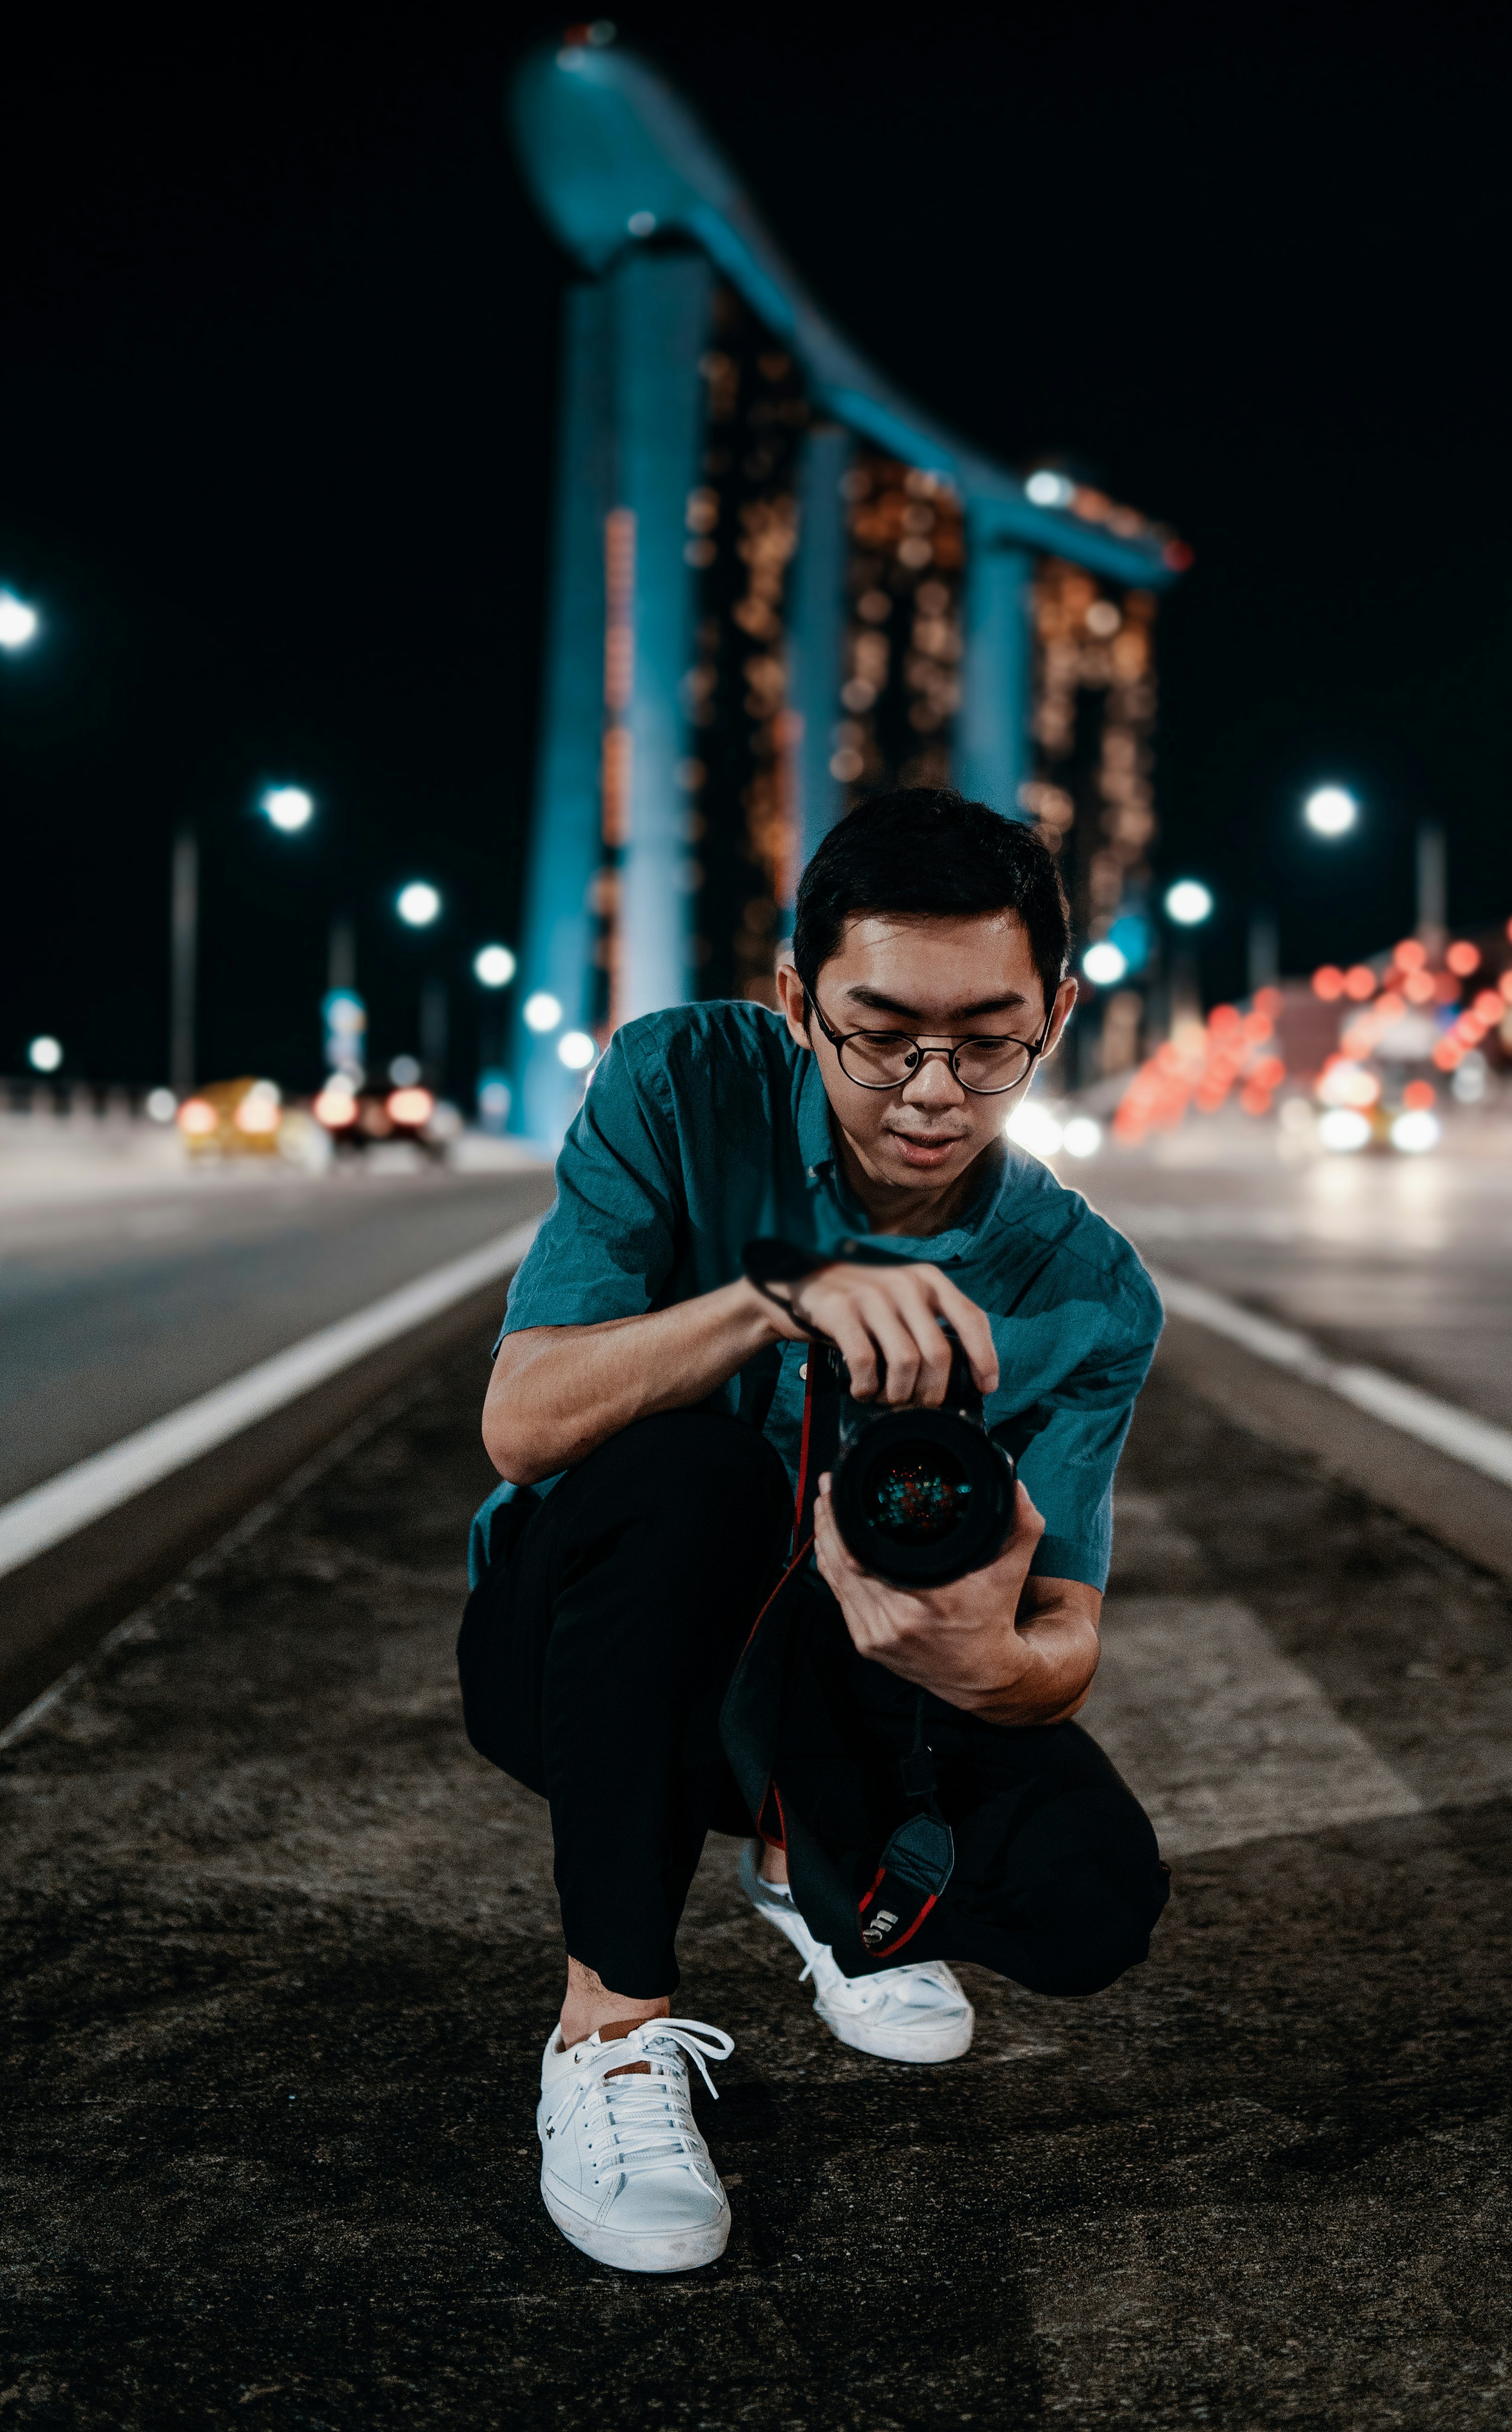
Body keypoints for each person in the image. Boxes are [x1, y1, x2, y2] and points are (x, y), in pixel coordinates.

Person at [459, 786, 1168, 2274]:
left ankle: (810, 1863)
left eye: (989, 1043)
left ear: (1056, 1013)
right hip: (584, 1659)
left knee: (1092, 1895)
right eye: (879, 1035)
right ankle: (608, 2032)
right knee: (692, 1477)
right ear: (797, 1002)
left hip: (849, 1690)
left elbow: (1066, 1643)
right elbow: (521, 1424)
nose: (931, 1093)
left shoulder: (1086, 1290)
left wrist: (984, 1662)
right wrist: (766, 1300)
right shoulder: (679, 1081)